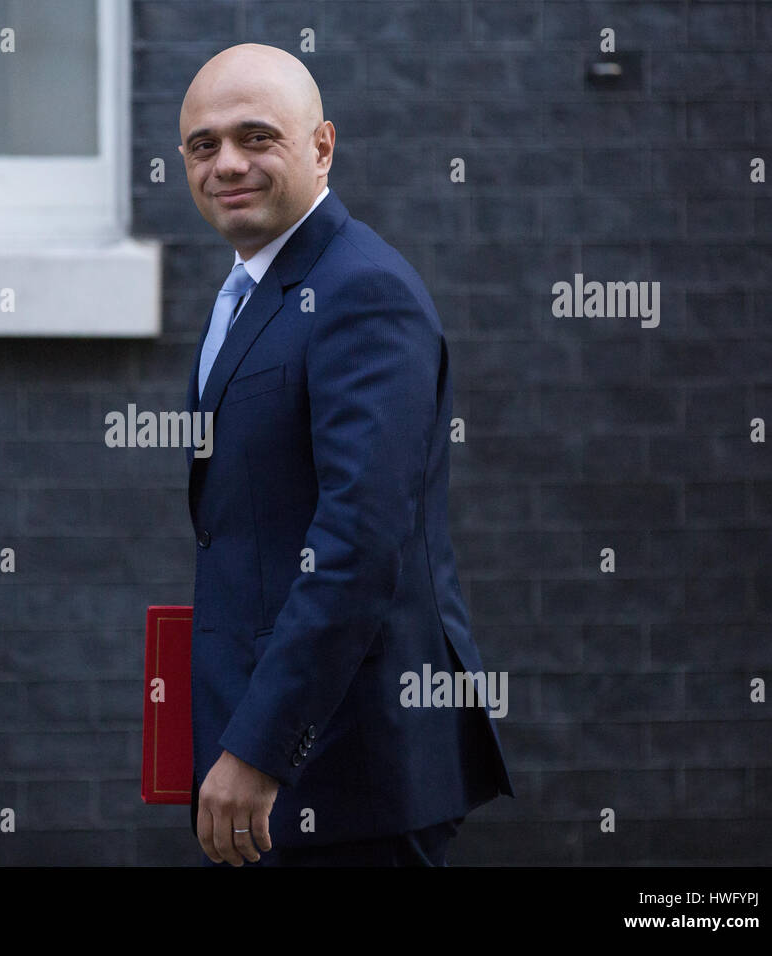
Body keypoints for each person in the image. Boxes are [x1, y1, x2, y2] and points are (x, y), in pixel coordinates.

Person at [178, 43, 515, 867]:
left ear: (322, 146)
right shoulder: (255, 290)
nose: (227, 163)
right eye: (203, 145)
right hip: (289, 765)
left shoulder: (363, 290)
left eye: (257, 137)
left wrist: (260, 749)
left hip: (345, 773)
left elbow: (359, 548)